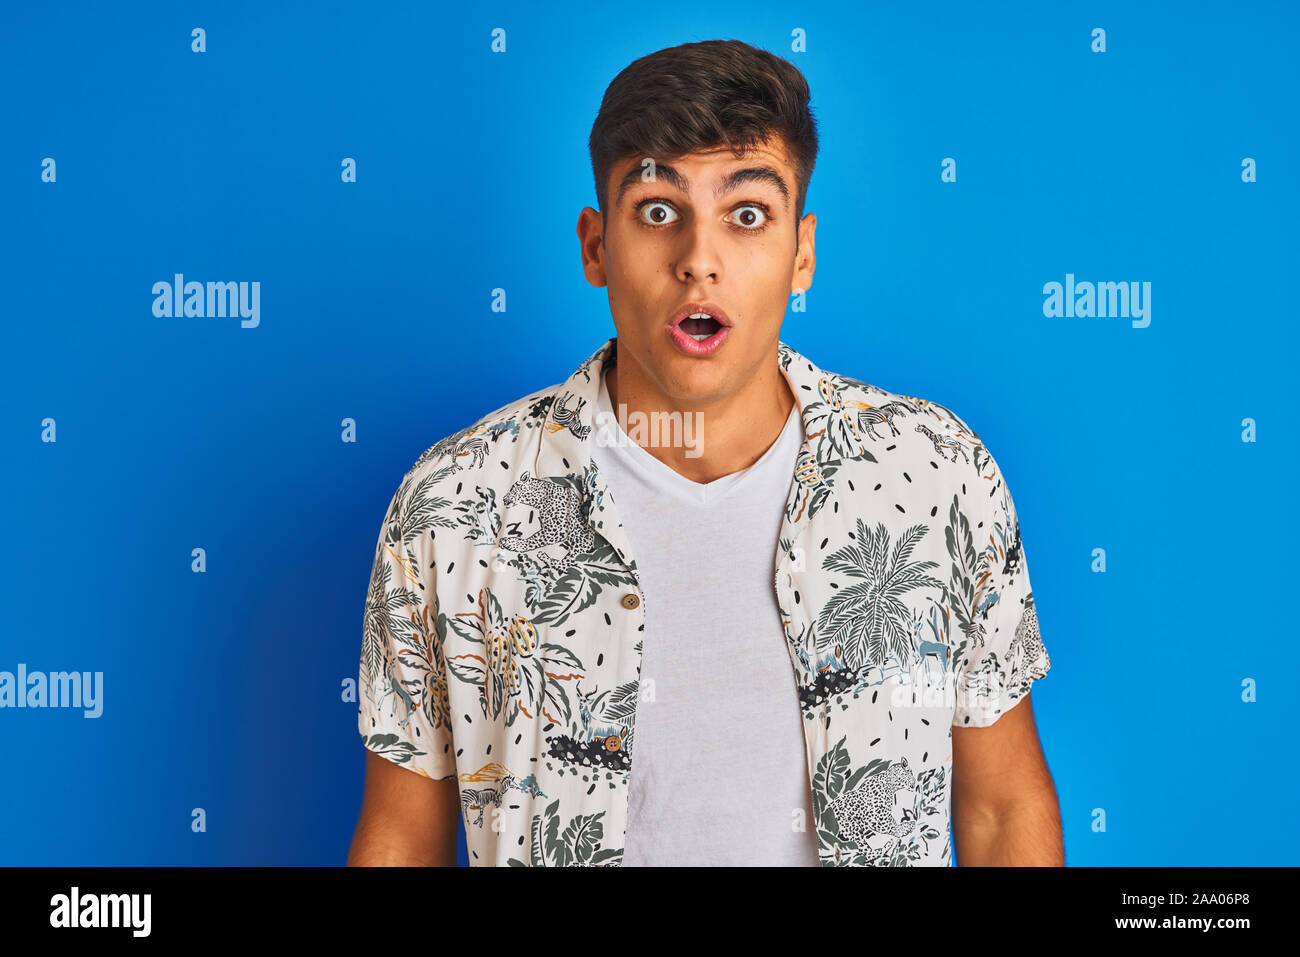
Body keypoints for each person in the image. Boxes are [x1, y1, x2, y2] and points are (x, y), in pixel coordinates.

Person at [348, 38, 1061, 867]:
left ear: (802, 252)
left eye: (747, 214)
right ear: (595, 246)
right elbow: (401, 835)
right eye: (657, 210)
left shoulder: (938, 474)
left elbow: (1005, 807)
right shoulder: (453, 503)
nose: (699, 260)